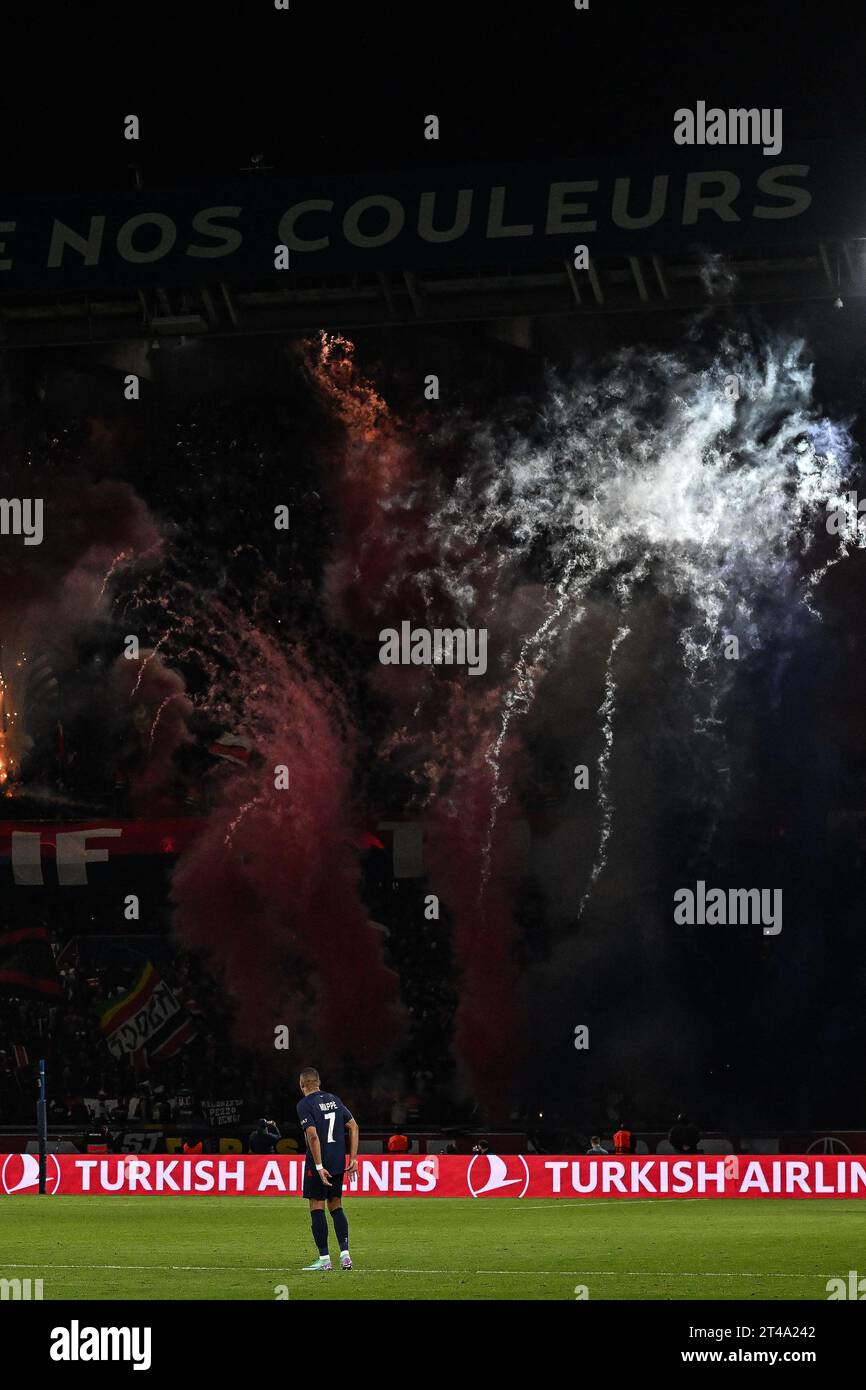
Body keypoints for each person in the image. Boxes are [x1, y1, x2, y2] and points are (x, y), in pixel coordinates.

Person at [297, 1066, 359, 1272]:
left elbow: (312, 1136)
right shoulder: (335, 1099)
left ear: (302, 1085)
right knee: (336, 1206)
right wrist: (354, 1158)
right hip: (337, 1161)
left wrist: (318, 1166)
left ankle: (324, 1260)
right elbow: (353, 1126)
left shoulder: (304, 1104)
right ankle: (345, 1256)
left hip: (319, 1164)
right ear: (319, 1083)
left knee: (317, 1206)